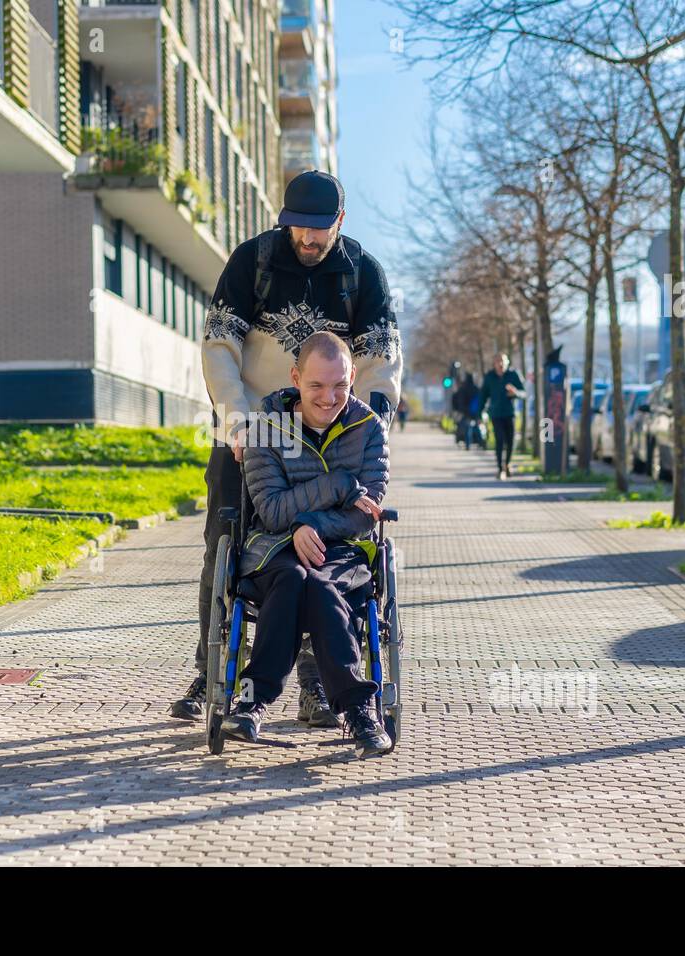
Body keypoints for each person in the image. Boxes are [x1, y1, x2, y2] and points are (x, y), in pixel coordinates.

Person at [170, 170, 403, 724]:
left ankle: (316, 684)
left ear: (339, 223)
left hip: (326, 436)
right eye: (297, 226)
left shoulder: (362, 274)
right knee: (223, 545)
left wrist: (365, 426)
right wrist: (238, 422)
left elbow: (379, 362)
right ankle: (213, 672)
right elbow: (220, 347)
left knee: (321, 554)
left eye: (319, 229)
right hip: (257, 429)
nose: (307, 238)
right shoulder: (252, 261)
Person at [226, 332, 393, 758]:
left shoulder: (369, 429)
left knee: (321, 582)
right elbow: (271, 510)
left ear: (353, 376)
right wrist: (338, 485)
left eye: (340, 385)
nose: (328, 397)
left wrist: (310, 521)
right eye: (316, 385)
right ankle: (252, 700)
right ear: (296, 377)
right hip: (274, 549)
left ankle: (357, 711)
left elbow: (365, 513)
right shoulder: (265, 428)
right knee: (292, 575)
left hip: (344, 550)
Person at [480, 353, 525, 479]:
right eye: (498, 361)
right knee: (499, 440)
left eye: (503, 361)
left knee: (510, 441)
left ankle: (508, 464)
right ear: (494, 364)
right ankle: (500, 468)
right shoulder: (489, 377)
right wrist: (480, 413)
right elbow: (483, 395)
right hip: (495, 414)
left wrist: (515, 393)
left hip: (510, 413)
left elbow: (524, 392)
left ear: (507, 362)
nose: (500, 364)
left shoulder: (513, 375)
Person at [452, 373, 480, 449]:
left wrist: (460, 410)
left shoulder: (462, 389)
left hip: (465, 412)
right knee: (476, 427)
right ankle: (481, 442)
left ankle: (468, 444)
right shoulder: (476, 388)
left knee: (468, 428)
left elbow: (458, 400)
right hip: (474, 412)